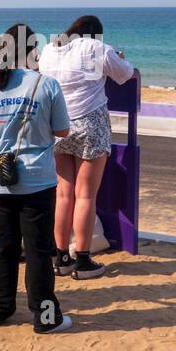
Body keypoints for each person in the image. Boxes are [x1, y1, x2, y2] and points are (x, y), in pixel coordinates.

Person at [0, 24, 73, 333]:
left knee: (4, 245)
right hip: (37, 180)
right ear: (31, 50)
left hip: (1, 179)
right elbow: (63, 130)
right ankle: (44, 318)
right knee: (39, 249)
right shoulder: (47, 85)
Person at [37, 15, 134, 280]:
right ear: (95, 34)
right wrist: (119, 56)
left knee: (63, 195)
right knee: (86, 196)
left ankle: (61, 258)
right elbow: (125, 73)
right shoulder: (96, 48)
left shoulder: (48, 50)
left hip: (58, 126)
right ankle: (82, 259)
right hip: (90, 124)